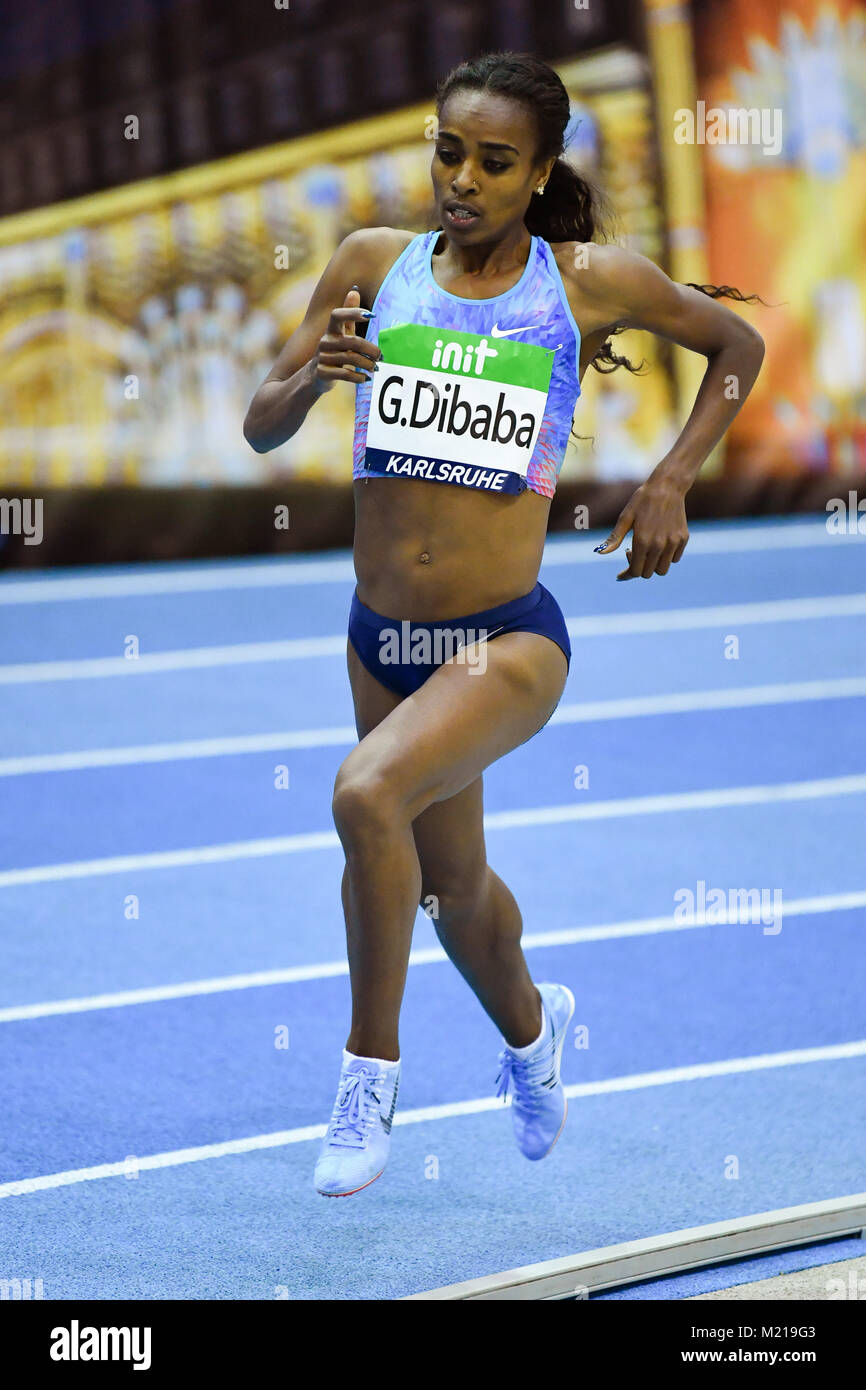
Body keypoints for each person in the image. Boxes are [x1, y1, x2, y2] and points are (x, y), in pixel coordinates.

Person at [243, 51, 765, 1197]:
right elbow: (259, 428)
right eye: (446, 152)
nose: (460, 180)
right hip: (380, 636)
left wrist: (672, 477)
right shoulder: (371, 266)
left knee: (363, 792)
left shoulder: (578, 281)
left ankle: (366, 1078)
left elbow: (736, 348)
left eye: (491, 163)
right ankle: (535, 1037)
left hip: (508, 640)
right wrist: (315, 382)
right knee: (449, 892)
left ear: (535, 177)